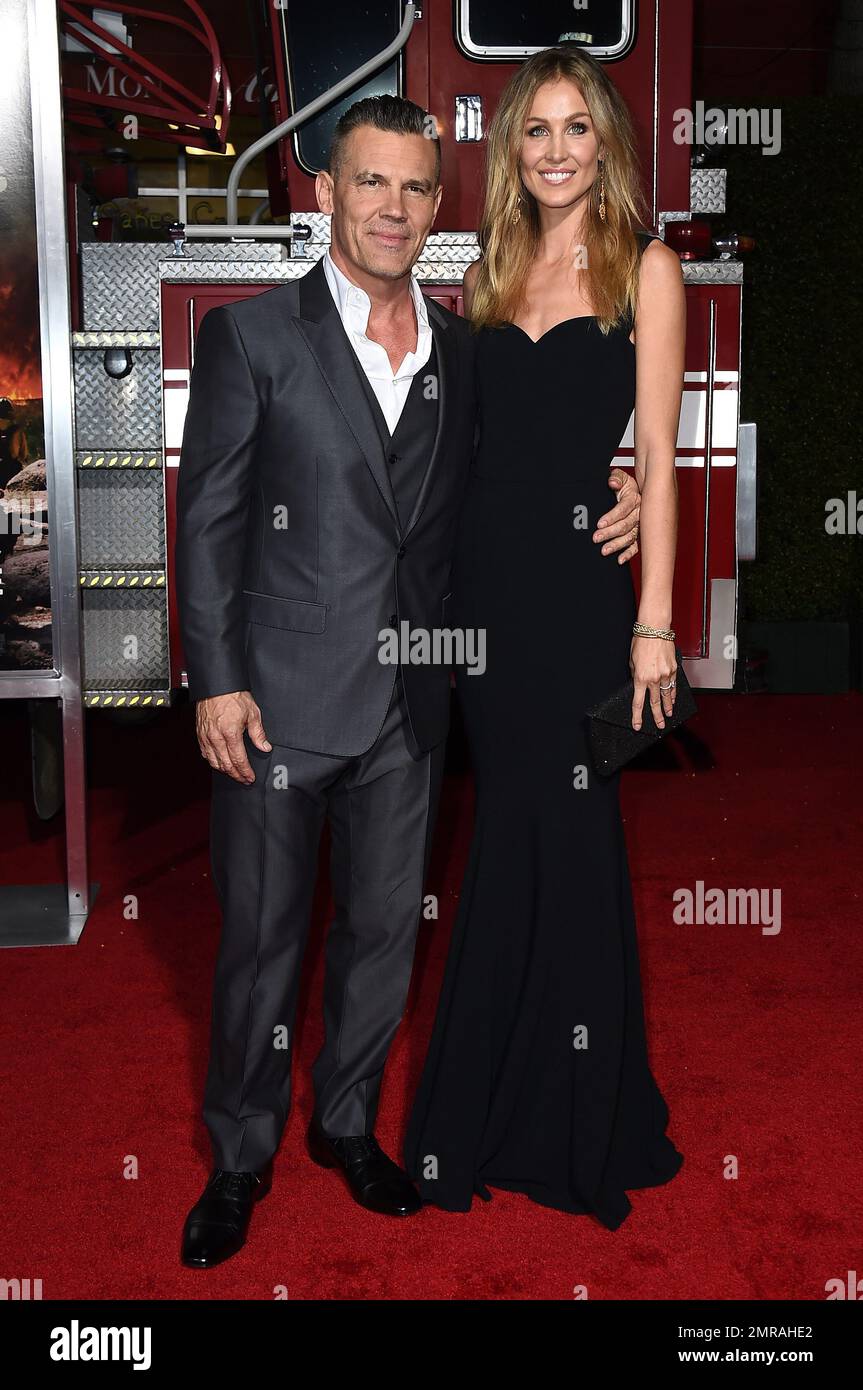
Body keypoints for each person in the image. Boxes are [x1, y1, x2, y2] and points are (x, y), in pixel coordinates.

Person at [175, 93, 642, 1267]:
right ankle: (239, 1157)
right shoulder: (251, 336)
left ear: (438, 205)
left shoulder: (459, 343)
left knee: (384, 936)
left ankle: (344, 1127)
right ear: (323, 192)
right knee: (261, 946)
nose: (391, 206)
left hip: (412, 695)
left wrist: (623, 479)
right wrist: (216, 682)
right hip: (274, 700)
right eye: (368, 182)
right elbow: (210, 524)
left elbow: (531, 456)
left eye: (414, 187)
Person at [404, 46, 686, 1231]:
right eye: (536, 130)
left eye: (578, 128)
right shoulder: (484, 269)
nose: (557, 150)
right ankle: (495, 1105)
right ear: (510, 145)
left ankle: (584, 1114)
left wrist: (653, 626)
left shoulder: (646, 269)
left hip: (579, 601)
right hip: (485, 604)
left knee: (571, 846)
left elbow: (659, 464)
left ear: (605, 147)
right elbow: (463, 446)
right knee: (504, 844)